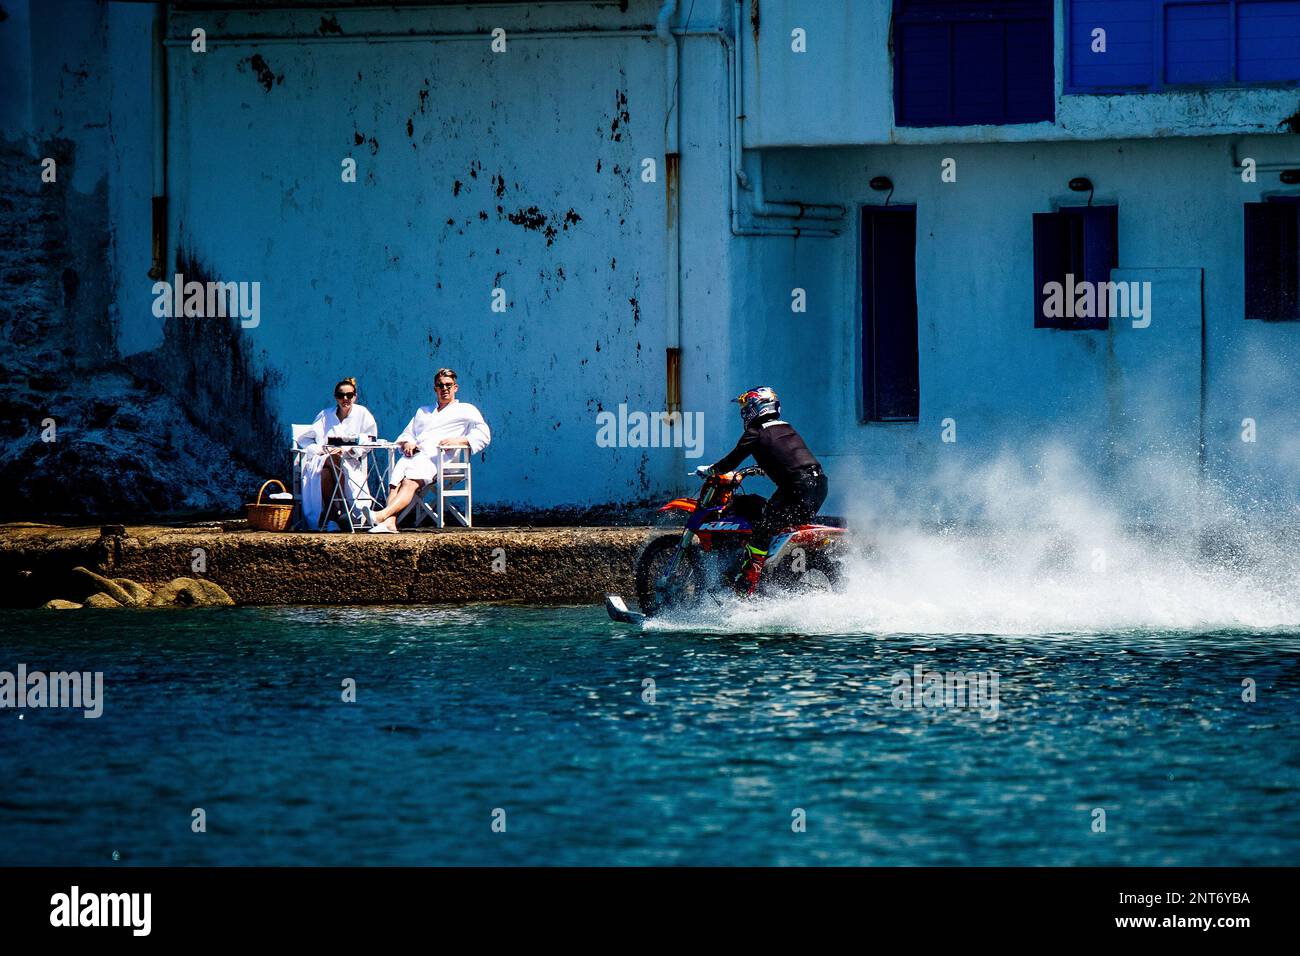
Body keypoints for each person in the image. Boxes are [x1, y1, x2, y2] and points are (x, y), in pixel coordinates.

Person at [696, 386, 827, 596]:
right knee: (774, 521)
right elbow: (789, 456)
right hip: (819, 486)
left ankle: (745, 586)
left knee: (762, 529)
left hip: (796, 488)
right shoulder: (786, 427)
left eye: (746, 407)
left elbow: (733, 459)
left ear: (758, 407)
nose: (744, 412)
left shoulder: (756, 432)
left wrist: (712, 470)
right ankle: (770, 577)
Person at [368, 367, 491, 533]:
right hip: (416, 455)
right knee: (394, 483)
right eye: (440, 385)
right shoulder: (423, 411)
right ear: (435, 389)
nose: (444, 388)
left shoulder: (466, 409)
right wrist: (408, 443)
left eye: (448, 385)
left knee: (409, 482)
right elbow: (408, 434)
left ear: (456, 387)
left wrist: (460, 440)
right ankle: (390, 522)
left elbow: (483, 434)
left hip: (440, 459)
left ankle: (381, 516)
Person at [297, 377, 379, 531]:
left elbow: (369, 440)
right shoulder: (325, 415)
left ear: (355, 396)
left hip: (349, 462)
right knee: (329, 461)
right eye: (341, 396)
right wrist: (322, 450)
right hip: (323, 458)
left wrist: (349, 450)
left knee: (329, 469)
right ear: (336, 397)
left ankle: (333, 515)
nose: (345, 399)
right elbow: (306, 439)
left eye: (349, 395)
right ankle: (338, 512)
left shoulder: (362, 413)